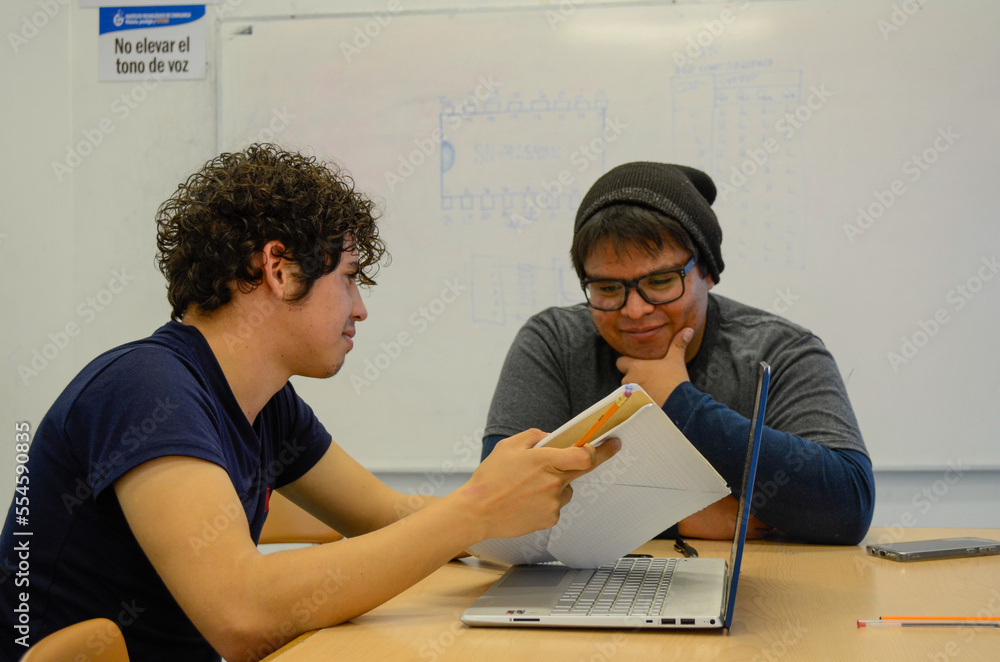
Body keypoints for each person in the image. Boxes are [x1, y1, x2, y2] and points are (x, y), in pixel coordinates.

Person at [0, 144, 618, 662]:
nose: (360, 308)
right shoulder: (145, 388)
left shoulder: (267, 403)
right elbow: (241, 615)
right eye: (348, 276)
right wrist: (475, 511)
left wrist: (506, 506)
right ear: (279, 268)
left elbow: (383, 512)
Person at [482, 161, 874, 545]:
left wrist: (680, 402)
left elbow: (847, 509)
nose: (634, 310)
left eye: (660, 281)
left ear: (708, 271)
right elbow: (499, 500)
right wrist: (682, 520)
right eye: (607, 289)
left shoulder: (779, 350)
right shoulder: (553, 342)